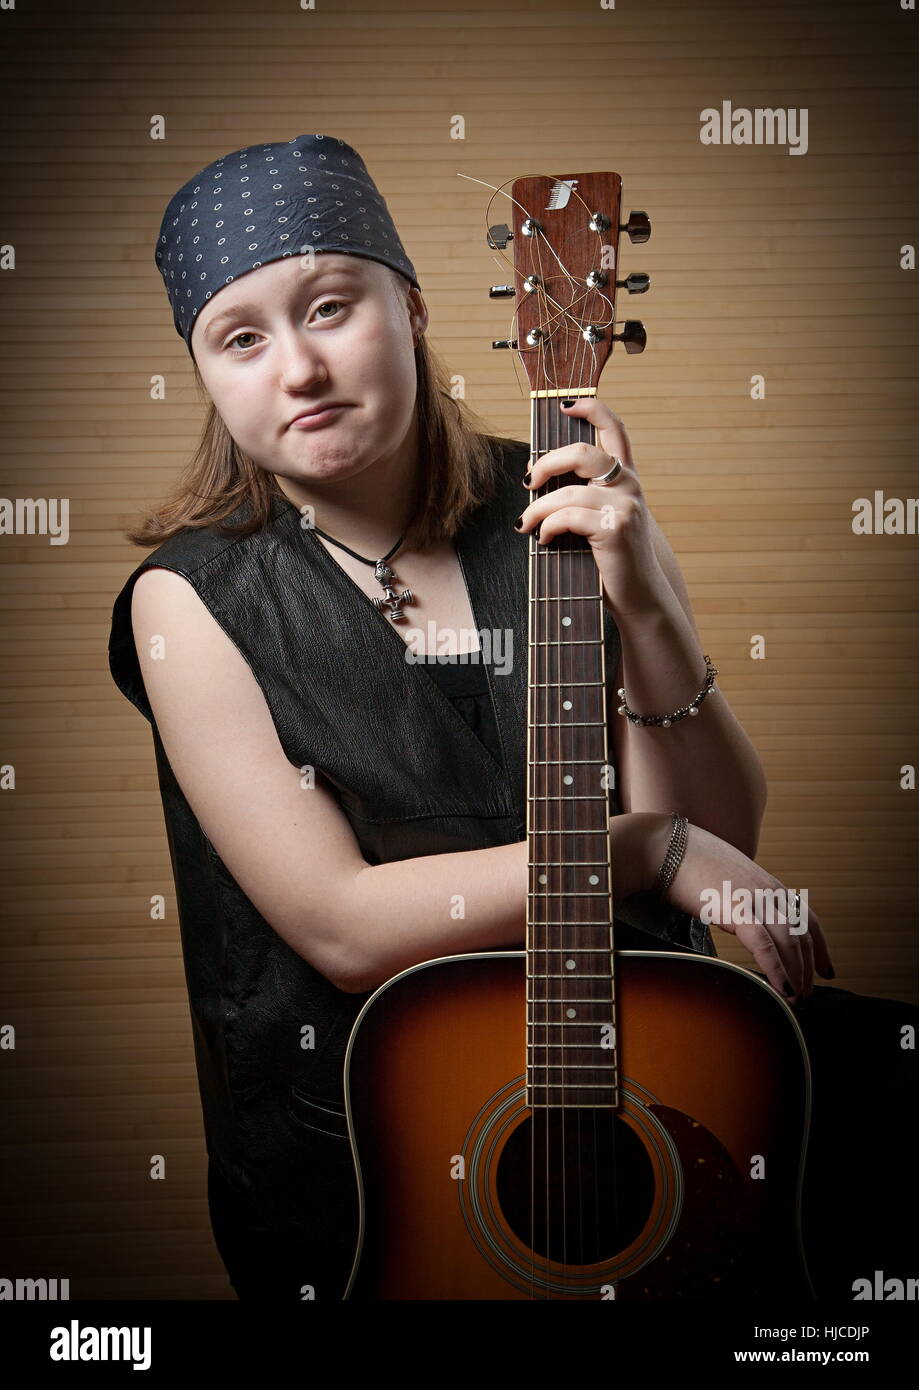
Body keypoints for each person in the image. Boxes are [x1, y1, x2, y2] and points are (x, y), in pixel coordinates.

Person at [109, 133, 916, 1302]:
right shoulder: (190, 602)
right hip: (382, 1128)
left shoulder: (559, 491)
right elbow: (344, 927)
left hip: (636, 1063)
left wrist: (642, 597)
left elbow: (725, 821)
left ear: (415, 309)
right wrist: (647, 847)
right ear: (208, 377)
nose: (298, 368)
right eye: (241, 339)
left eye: (330, 307)